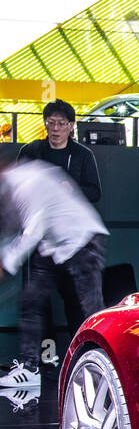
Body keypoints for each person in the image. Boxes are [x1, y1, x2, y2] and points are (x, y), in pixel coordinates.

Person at [0, 160, 108, 399]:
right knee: (30, 301)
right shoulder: (10, 190)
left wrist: (5, 264)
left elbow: (33, 229)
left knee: (90, 312)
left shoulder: (30, 182)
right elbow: (9, 227)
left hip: (83, 240)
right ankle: (28, 369)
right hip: (52, 245)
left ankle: (106, 369)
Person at [17, 99, 101, 204]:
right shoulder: (30, 151)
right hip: (38, 211)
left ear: (70, 126)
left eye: (61, 124)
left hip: (69, 213)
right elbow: (17, 186)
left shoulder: (83, 154)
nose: (55, 128)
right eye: (51, 123)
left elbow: (95, 193)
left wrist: (74, 190)